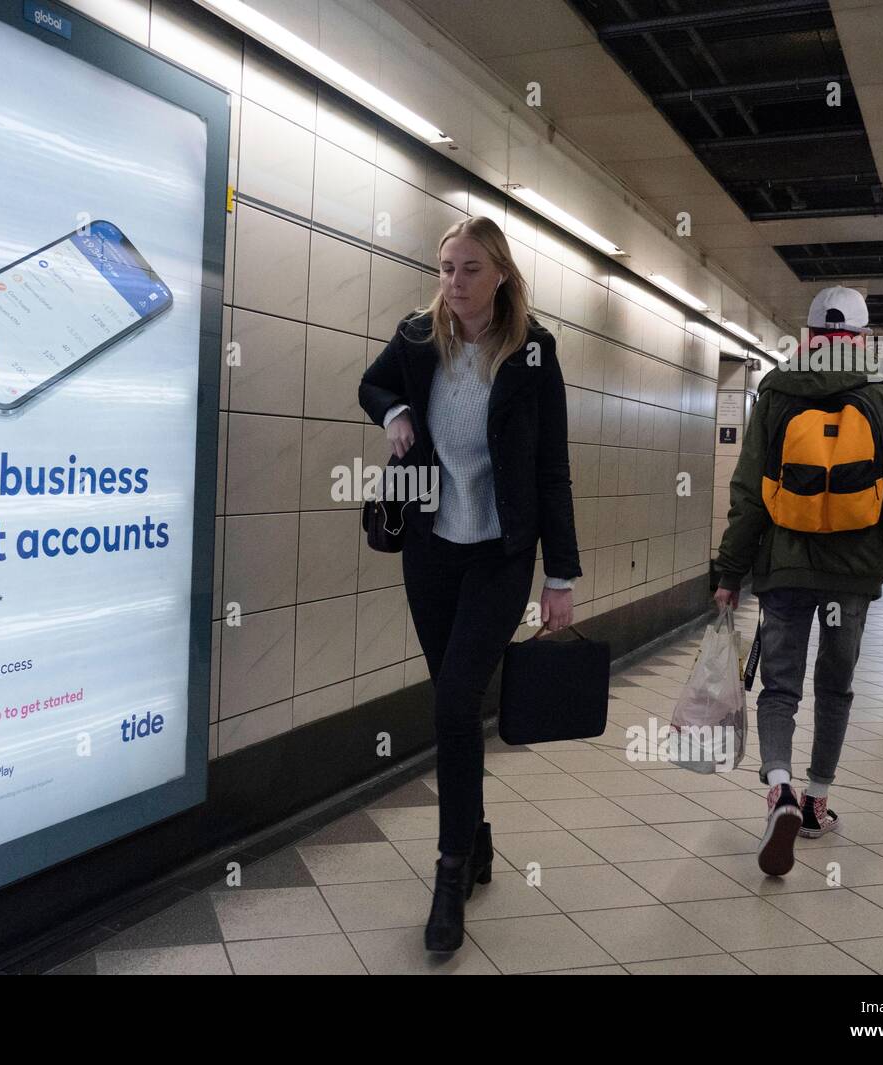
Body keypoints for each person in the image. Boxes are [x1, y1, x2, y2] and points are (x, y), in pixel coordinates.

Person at [358, 216, 581, 952]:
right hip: (430, 550)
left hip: (499, 553)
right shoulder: (422, 334)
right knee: (454, 707)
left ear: (502, 276)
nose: (454, 283)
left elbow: (552, 468)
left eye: (470, 269)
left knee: (455, 698)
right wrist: (392, 410)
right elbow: (374, 381)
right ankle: (477, 834)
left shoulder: (535, 354)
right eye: (447, 267)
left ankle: (449, 872)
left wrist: (562, 573)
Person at [713, 286, 883, 876]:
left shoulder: (776, 395)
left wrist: (731, 571)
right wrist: (873, 553)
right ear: (861, 340)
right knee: (835, 686)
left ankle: (778, 790)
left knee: (779, 685)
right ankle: (816, 801)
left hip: (785, 569)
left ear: (809, 337)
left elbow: (748, 494)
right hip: (849, 579)